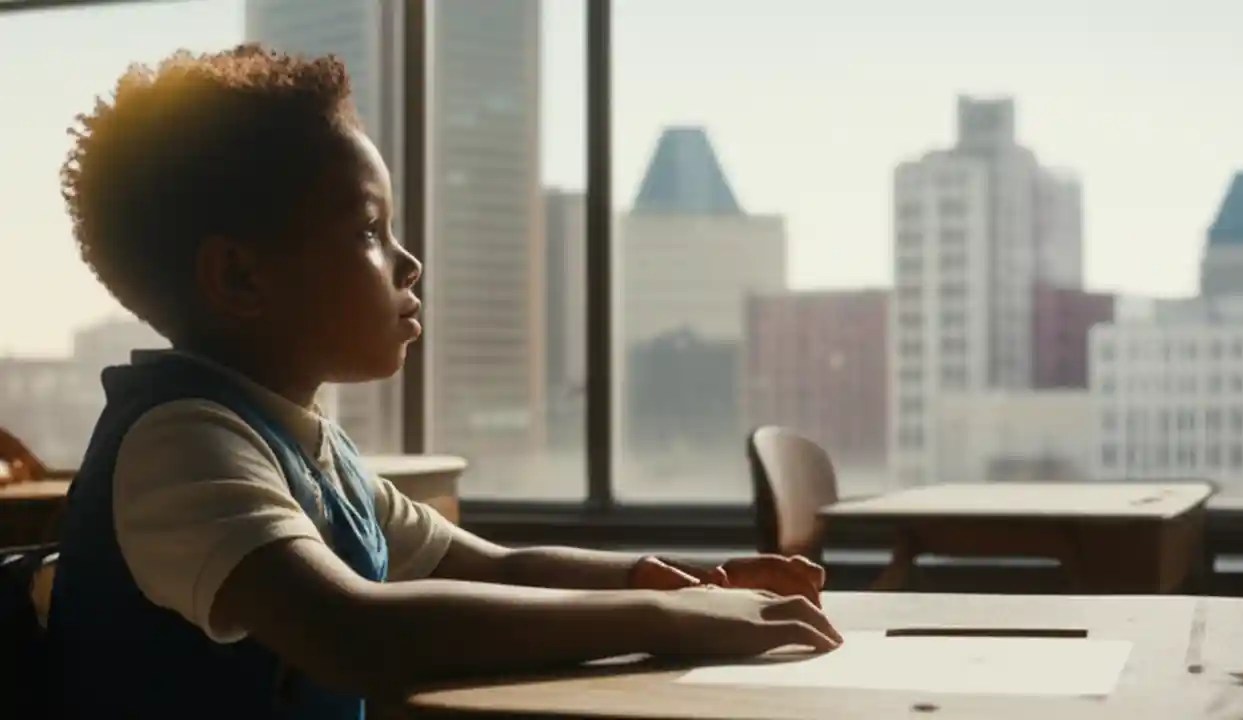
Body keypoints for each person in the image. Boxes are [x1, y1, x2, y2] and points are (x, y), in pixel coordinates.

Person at [46, 44, 840, 720]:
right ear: (240, 277)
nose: (409, 262)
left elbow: (495, 569)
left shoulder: (311, 450)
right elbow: (350, 629)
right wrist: (660, 619)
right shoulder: (180, 445)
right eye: (369, 229)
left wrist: (687, 583)